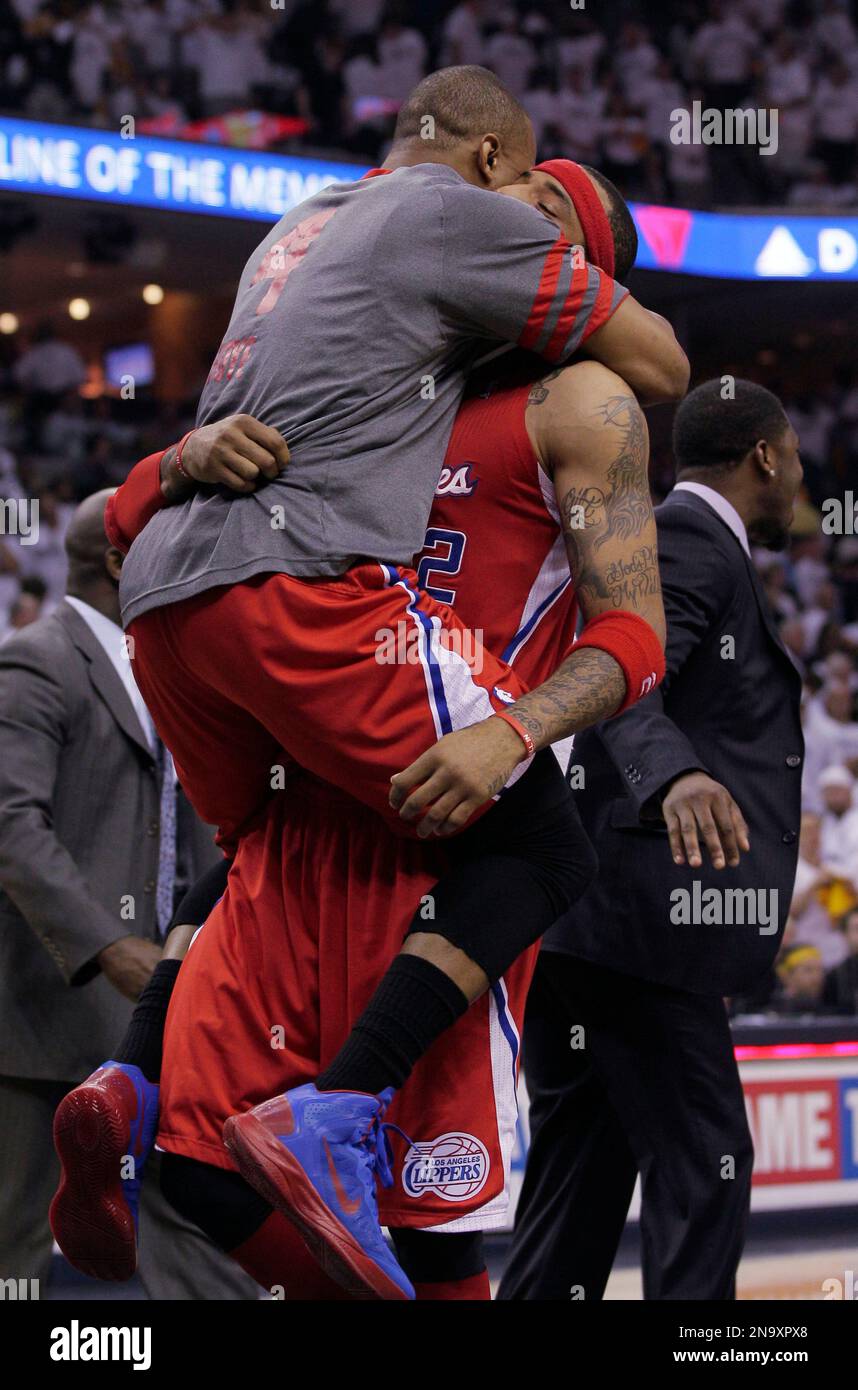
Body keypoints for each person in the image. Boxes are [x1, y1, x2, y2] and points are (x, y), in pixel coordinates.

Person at [110, 70, 685, 1298]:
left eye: (540, 217)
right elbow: (135, 515)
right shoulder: (385, 383)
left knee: (409, 1212)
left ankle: (143, 1067)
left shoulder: (576, 399)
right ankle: (139, 1076)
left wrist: (515, 732)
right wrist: (180, 455)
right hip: (341, 787)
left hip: (444, 815)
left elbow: (639, 631)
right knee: (210, 1164)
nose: (509, 226)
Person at [498, 378, 805, 1302]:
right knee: (706, 1162)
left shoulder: (695, 546)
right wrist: (673, 773)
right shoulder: (689, 543)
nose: (799, 478)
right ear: (764, 456)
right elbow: (619, 670)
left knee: (577, 1188)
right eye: (793, 460)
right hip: (638, 929)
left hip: (587, 928)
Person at [0, 491, 256, 1299]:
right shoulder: (36, 658)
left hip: (153, 1014)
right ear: (119, 562)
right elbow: (10, 823)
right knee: (14, 1254)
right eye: (170, 541)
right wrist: (110, 949)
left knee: (193, 1229)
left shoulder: (160, 665)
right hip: (44, 1020)